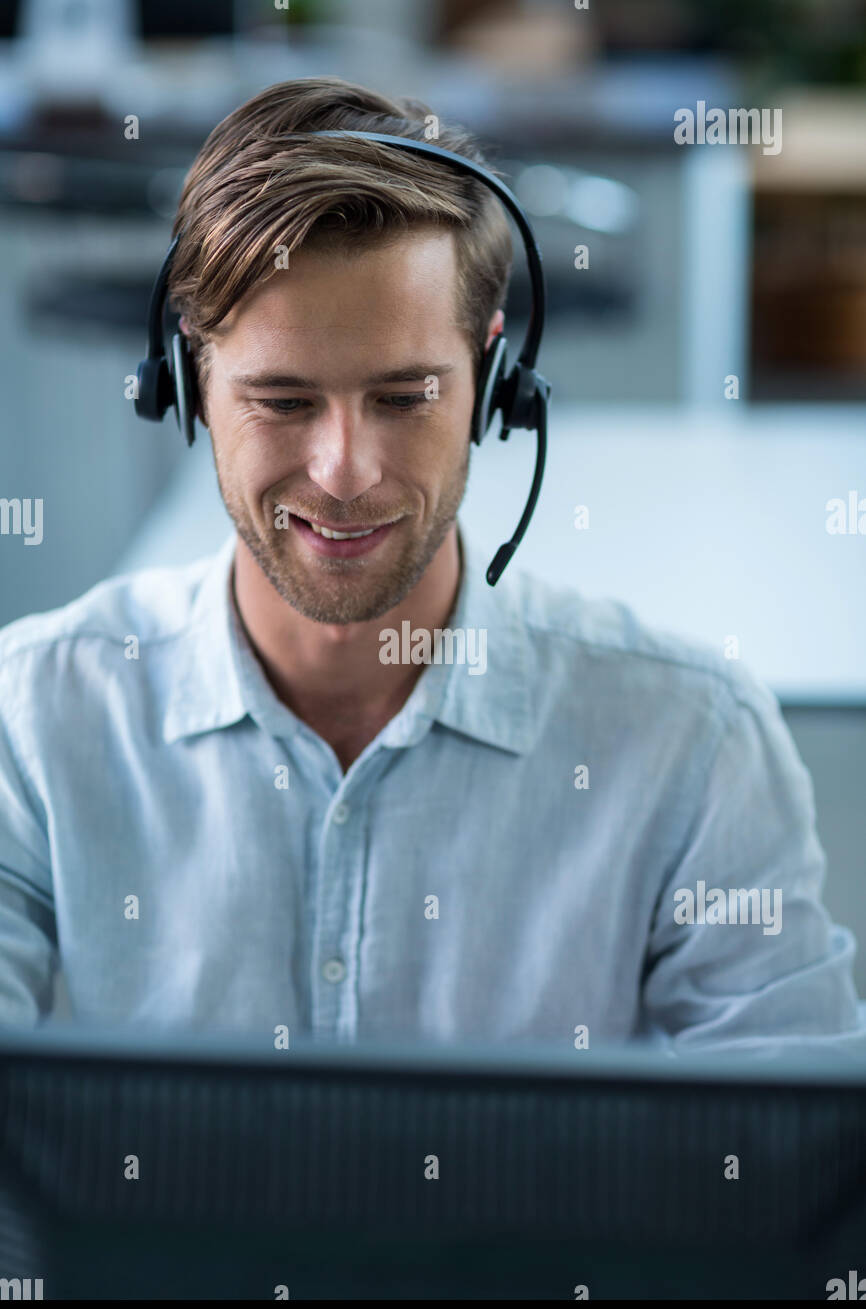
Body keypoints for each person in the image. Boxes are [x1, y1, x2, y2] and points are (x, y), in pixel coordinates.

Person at [0, 77, 862, 1053]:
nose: (343, 473)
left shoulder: (692, 743)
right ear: (189, 382)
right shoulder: (34, 721)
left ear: (495, 383)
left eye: (404, 396)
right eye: (280, 401)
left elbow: (788, 1170)